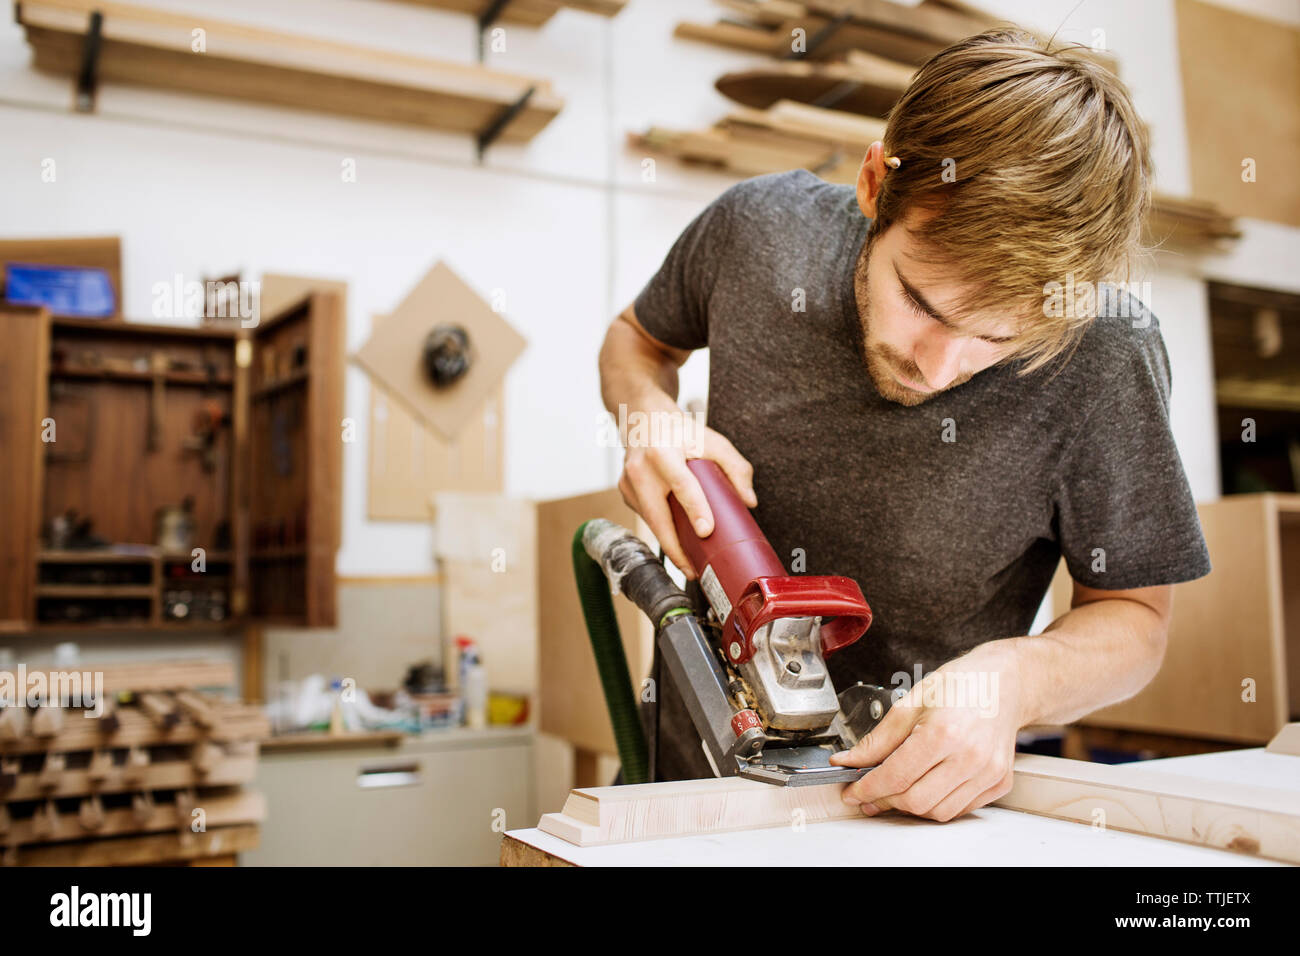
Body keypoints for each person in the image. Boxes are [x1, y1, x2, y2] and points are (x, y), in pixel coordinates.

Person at [597, 30, 1211, 822]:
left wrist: (1014, 681)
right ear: (872, 181)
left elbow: (1134, 620)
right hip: (677, 785)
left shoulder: (1106, 352)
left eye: (999, 339)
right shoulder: (755, 232)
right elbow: (636, 340)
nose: (942, 365)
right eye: (920, 301)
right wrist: (645, 415)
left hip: (903, 816)